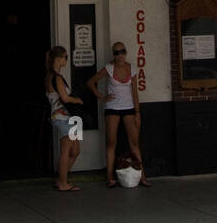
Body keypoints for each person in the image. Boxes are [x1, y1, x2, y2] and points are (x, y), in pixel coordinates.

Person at [87, 42, 150, 188]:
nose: (120, 55)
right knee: (111, 142)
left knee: (134, 143)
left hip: (129, 108)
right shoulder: (109, 68)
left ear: (126, 52)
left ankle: (142, 176)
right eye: (116, 52)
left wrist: (137, 112)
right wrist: (102, 97)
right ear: (113, 55)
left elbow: (135, 92)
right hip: (112, 108)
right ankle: (110, 177)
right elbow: (90, 82)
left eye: (122, 51)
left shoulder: (131, 68)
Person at [45, 45, 82, 192]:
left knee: (75, 150)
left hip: (67, 117)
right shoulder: (56, 77)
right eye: (65, 57)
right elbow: (65, 98)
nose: (66, 60)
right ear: (59, 59)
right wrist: (77, 100)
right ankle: (63, 182)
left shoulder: (50, 76)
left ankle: (61, 178)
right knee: (66, 150)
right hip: (62, 116)